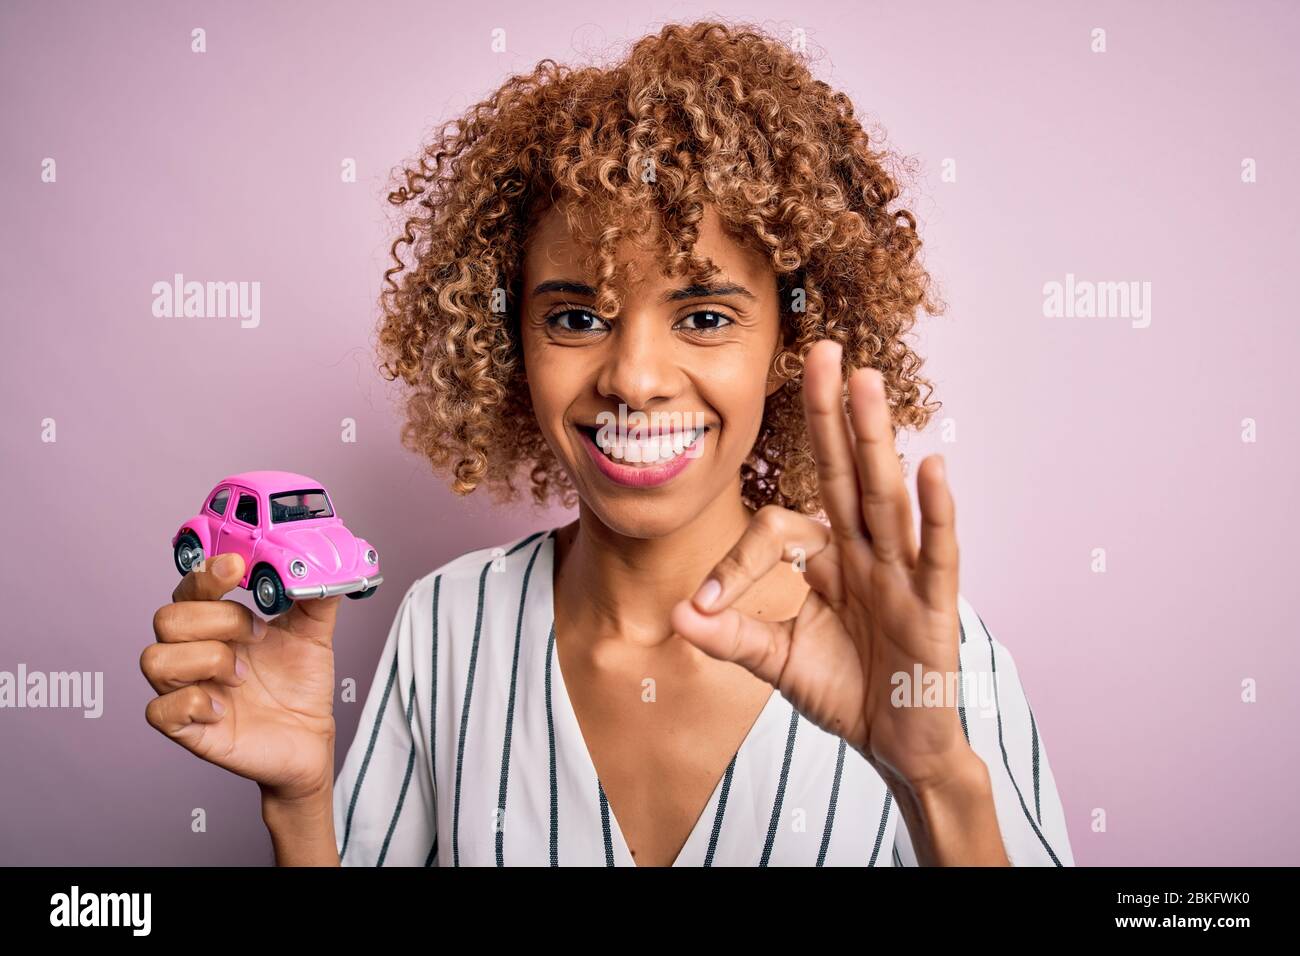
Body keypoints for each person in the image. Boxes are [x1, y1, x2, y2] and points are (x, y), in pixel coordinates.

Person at [141, 19, 1073, 867]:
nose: (633, 376)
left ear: (788, 345)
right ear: (508, 341)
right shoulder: (446, 626)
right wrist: (301, 809)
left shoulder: (926, 653)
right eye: (578, 315)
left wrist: (940, 780)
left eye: (704, 314)